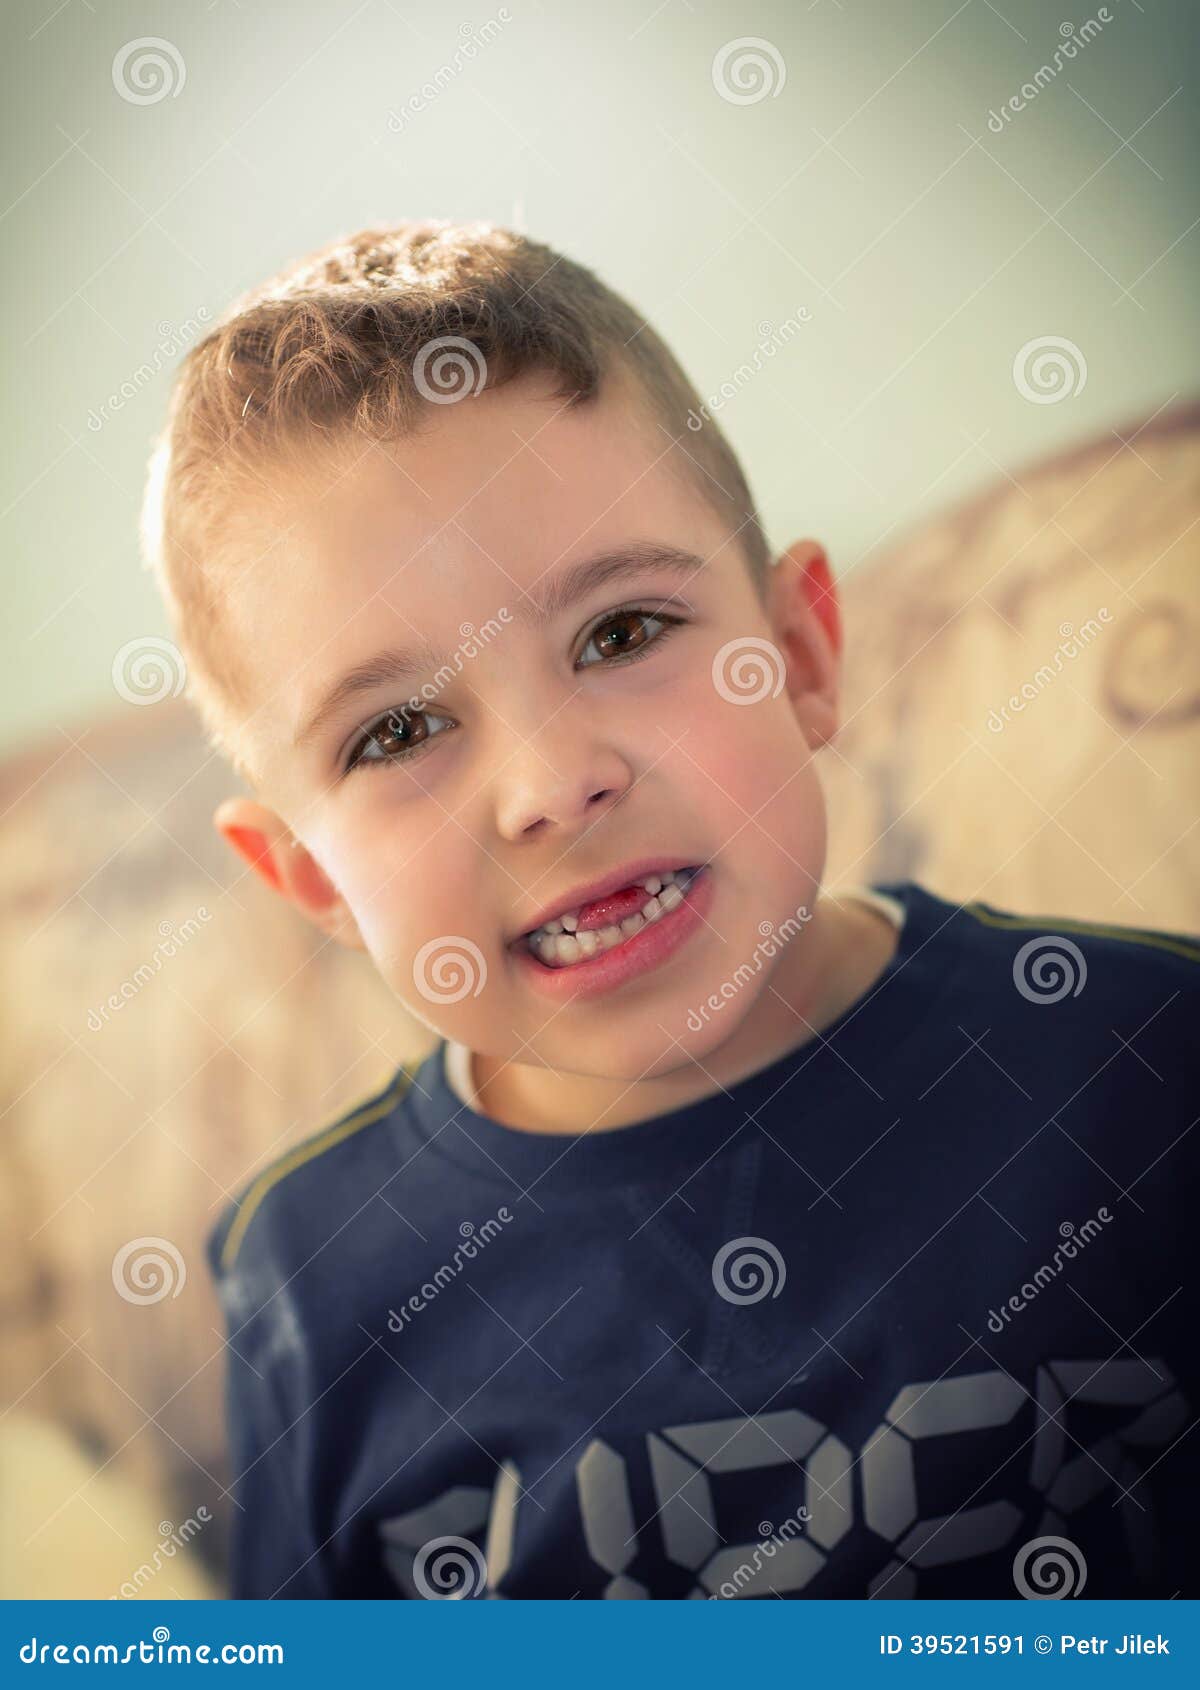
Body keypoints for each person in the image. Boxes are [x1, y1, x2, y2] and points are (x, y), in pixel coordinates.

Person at [141, 220, 1200, 1599]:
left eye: (623, 633)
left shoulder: (1141, 1063)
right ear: (306, 877)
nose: (554, 783)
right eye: (398, 729)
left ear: (802, 652)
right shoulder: (311, 1273)